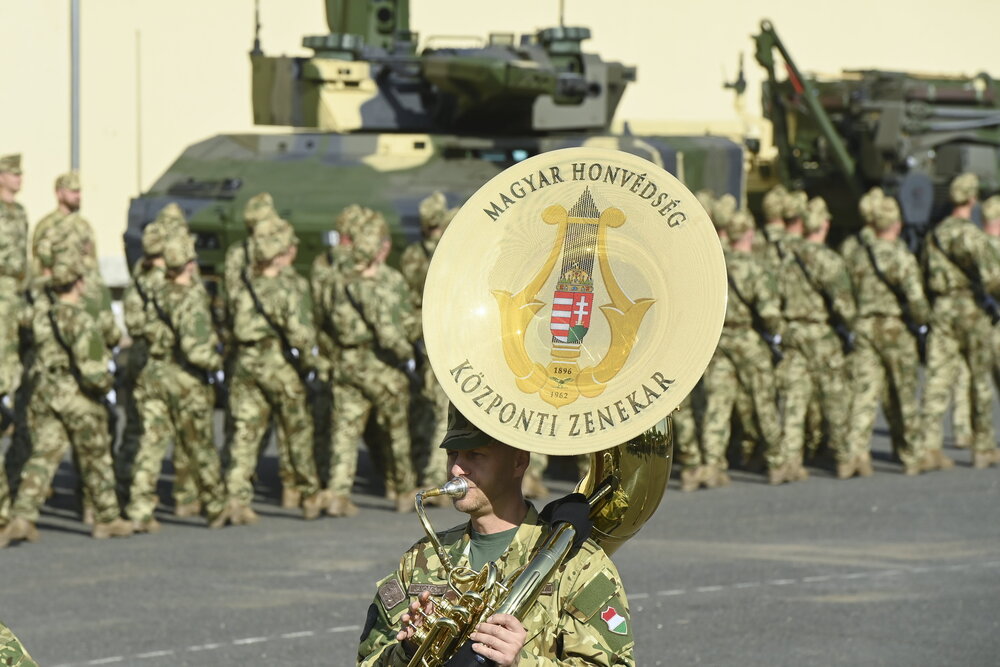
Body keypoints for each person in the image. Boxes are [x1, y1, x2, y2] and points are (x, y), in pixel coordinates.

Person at [357, 406, 634, 666]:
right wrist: (407, 651)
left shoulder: (576, 563)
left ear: (519, 461)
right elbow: (369, 658)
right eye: (452, 454)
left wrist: (520, 662)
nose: (456, 469)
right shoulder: (420, 559)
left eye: (475, 455)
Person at [1, 248, 133, 546]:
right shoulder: (84, 322)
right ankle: (107, 518)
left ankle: (23, 516)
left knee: (43, 457)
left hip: (46, 396)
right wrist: (106, 386)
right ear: (79, 283)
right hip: (79, 400)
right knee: (96, 458)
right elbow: (95, 371)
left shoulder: (41, 317)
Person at [125, 233, 231, 531]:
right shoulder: (191, 299)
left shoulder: (156, 291)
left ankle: (140, 509)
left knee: (151, 444)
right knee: (200, 446)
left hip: (153, 375)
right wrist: (217, 361)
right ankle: (216, 506)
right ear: (188, 263)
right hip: (184, 380)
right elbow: (196, 350)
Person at [226, 215, 328, 522]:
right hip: (276, 363)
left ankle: (236, 498)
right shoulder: (287, 287)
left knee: (245, 433)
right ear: (281, 255)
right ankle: (309, 495)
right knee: (297, 430)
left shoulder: (243, 283)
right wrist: (314, 363)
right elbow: (300, 333)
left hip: (245, 362)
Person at [323, 210, 417, 514]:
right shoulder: (387, 281)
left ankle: (338, 493)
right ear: (380, 250)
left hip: (346, 361)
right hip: (381, 365)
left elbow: (323, 319)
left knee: (345, 433)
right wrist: (408, 354)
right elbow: (395, 330)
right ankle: (404, 491)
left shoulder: (335, 280)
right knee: (396, 430)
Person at [700, 209, 789, 486]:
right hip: (747, 340)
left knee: (718, 404)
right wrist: (781, 336)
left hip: (719, 340)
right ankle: (776, 462)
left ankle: (712, 464)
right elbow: (769, 312)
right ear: (750, 233)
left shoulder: (715, 264)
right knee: (763, 401)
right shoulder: (755, 267)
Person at [843, 196, 931, 475]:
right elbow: (916, 299)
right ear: (896, 223)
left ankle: (855, 455)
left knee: (865, 393)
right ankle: (911, 455)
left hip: (865, 327)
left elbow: (846, 292)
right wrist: (924, 321)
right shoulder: (900, 255)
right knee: (904, 393)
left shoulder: (856, 252)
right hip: (894, 329)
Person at [918, 173, 1000, 470]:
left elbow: (923, 275)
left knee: (938, 377)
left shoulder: (934, 234)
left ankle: (928, 446)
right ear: (973, 200)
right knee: (979, 379)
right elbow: (993, 278)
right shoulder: (971, 235)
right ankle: (984, 447)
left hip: (942, 308)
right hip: (970, 308)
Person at [778, 193, 856, 477]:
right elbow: (844, 306)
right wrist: (851, 329)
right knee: (834, 397)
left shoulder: (787, 258)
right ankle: (845, 458)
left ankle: (788, 461)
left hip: (793, 333)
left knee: (795, 400)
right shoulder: (829, 260)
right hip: (821, 336)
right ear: (824, 224)